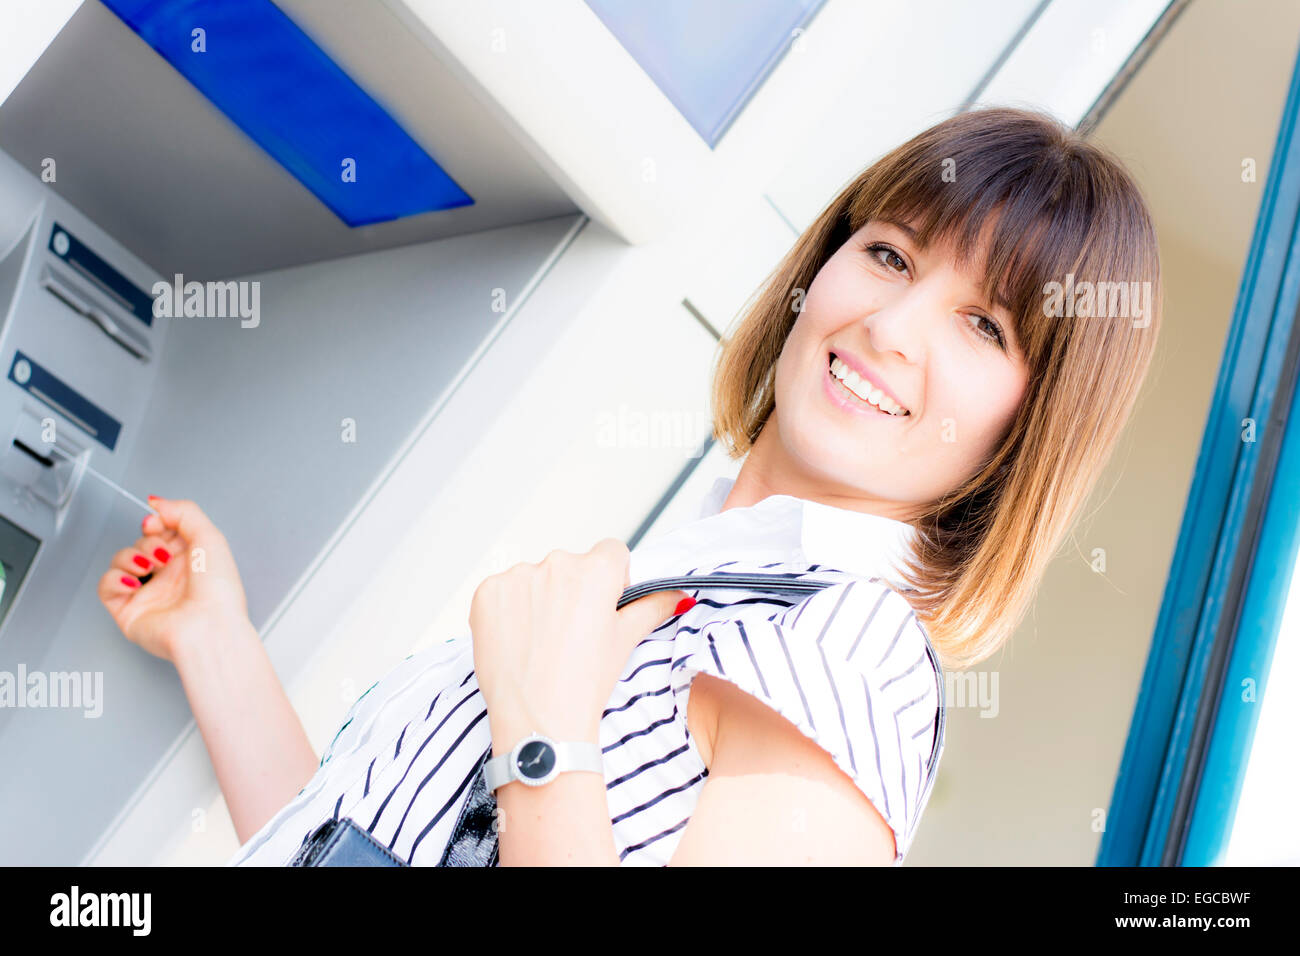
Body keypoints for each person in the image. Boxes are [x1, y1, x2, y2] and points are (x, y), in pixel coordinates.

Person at [97, 106, 1162, 865]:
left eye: (983, 325)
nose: (889, 326)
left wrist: (543, 728)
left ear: (1027, 429)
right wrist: (215, 639)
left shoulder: (850, 654)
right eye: (889, 254)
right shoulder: (695, 580)